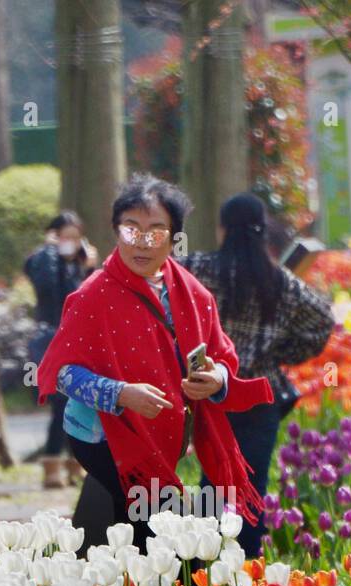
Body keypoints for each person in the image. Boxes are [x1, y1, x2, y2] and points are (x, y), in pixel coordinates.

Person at [36, 173, 272, 553]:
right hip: (101, 437)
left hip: (164, 437)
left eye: (156, 230)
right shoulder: (93, 295)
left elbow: (223, 355)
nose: (142, 241)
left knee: (123, 531)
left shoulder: (192, 293)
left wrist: (217, 379)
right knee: (162, 534)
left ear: (173, 236)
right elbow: (60, 374)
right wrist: (120, 393)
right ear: (116, 232)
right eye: (131, 229)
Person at [183, 193, 335, 557]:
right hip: (259, 396)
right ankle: (247, 570)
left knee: (212, 487)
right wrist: (282, 353)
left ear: (222, 229)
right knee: (251, 488)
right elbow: (322, 321)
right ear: (263, 230)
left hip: (210, 396)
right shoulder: (279, 280)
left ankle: (204, 571)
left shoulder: (197, 269)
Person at [25, 211, 98, 488]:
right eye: (65, 237)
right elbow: (46, 287)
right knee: (60, 404)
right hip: (51, 343)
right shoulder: (41, 261)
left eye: (75, 238)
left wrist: (88, 268)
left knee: (78, 403)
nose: (71, 243)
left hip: (78, 343)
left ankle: (74, 463)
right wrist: (49, 250)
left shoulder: (77, 267)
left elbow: (86, 299)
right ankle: (53, 464)